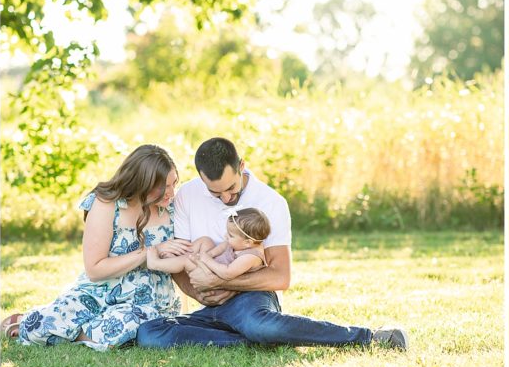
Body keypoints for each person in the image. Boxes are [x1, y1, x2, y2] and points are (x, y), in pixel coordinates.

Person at [136, 137, 407, 349]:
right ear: (200, 178)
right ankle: (252, 340)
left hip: (251, 300)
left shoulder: (272, 202)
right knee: (150, 333)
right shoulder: (187, 195)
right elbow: (183, 261)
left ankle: (369, 337)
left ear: (241, 166)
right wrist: (199, 294)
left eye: (231, 189)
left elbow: (281, 276)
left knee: (261, 325)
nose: (226, 199)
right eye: (214, 192)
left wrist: (220, 283)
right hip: (209, 306)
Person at [0, 144, 186, 350]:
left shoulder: (172, 208)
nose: (171, 192)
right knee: (39, 326)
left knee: (133, 323)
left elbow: (182, 258)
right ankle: (53, 323)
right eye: (164, 187)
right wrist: (147, 253)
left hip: (145, 302)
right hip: (97, 293)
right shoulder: (107, 204)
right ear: (142, 183)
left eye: (174, 183)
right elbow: (95, 270)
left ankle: (74, 332)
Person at [147, 207, 270, 280]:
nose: (226, 236)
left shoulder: (251, 256)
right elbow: (222, 247)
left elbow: (227, 273)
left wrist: (205, 260)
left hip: (215, 277)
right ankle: (174, 260)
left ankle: (156, 263)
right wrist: (208, 254)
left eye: (231, 235)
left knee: (187, 261)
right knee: (205, 240)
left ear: (248, 242)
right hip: (212, 263)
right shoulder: (239, 243)